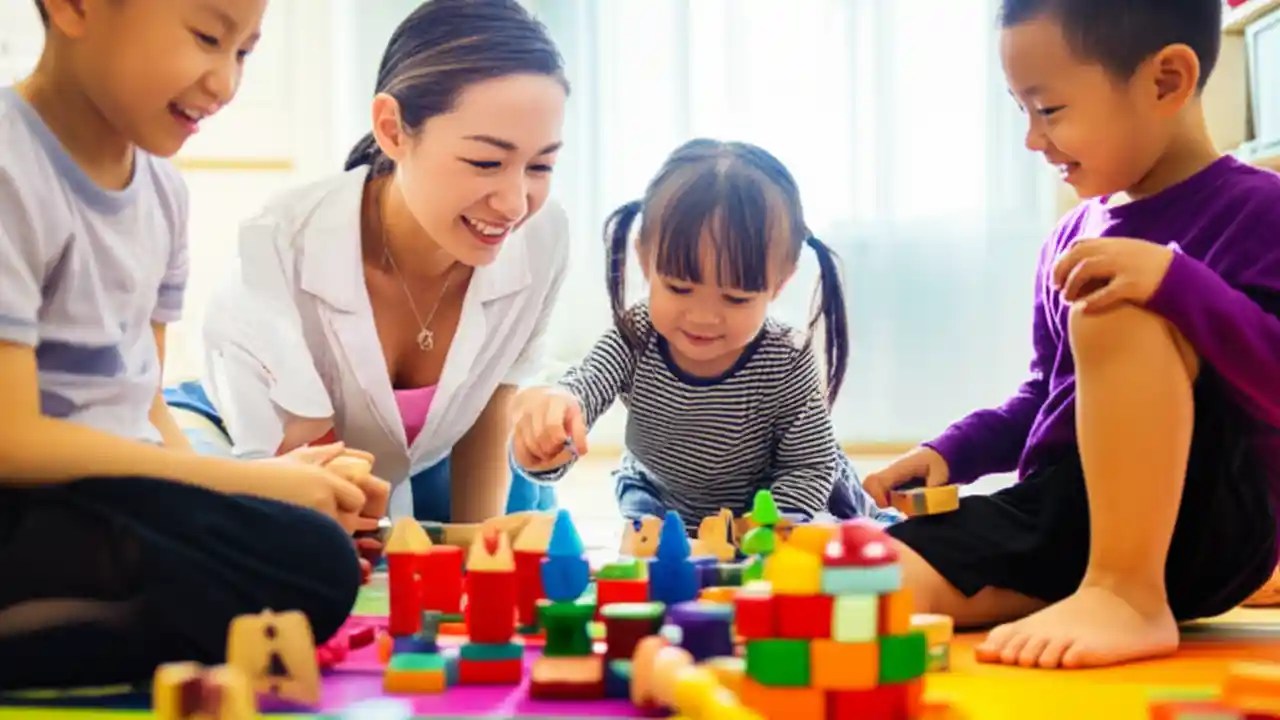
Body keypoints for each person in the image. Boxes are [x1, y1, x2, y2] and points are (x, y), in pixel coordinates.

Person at [864, 0, 1280, 670]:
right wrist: (952, 452)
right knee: (865, 579)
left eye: (1049, 110)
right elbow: (1045, 395)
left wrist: (1176, 284)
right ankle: (1092, 593)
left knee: (1115, 306)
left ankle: (1126, 593)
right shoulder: (1073, 233)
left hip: (1206, 516)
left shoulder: (1261, 211)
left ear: (1166, 82)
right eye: (1021, 111)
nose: (1033, 138)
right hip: (1065, 513)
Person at [0, 0, 383, 690]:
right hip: (22, 502)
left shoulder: (163, 195)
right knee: (304, 560)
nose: (225, 83)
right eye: (207, 37)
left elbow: (143, 407)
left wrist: (259, 497)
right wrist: (251, 482)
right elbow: (12, 440)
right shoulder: (11, 168)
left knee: (310, 551)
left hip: (105, 508)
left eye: (244, 52)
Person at [200, 0, 570, 523]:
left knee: (528, 517)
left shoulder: (542, 236)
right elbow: (315, 467)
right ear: (392, 129)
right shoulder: (281, 244)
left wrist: (479, 544)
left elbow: (493, 402)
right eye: (486, 162)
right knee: (229, 532)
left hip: (426, 459)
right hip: (269, 452)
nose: (514, 204)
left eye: (541, 165)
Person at [511, 139, 899, 530]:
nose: (703, 318)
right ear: (645, 260)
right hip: (666, 503)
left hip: (779, 506)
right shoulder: (636, 336)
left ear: (779, 283)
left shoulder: (786, 358)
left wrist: (758, 530)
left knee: (855, 535)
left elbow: (809, 467)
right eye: (679, 288)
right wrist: (547, 436)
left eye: (736, 298)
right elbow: (584, 388)